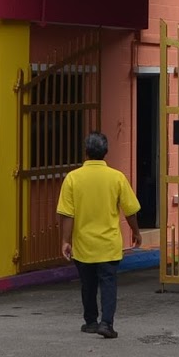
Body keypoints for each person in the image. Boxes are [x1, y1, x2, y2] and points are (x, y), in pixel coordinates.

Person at [56, 132, 141, 339]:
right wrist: (136, 232)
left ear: (85, 152)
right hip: (108, 244)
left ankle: (91, 321)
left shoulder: (73, 178)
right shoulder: (117, 177)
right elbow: (130, 210)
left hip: (84, 244)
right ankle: (107, 323)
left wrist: (66, 240)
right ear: (106, 152)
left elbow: (67, 214)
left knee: (88, 283)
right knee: (108, 283)